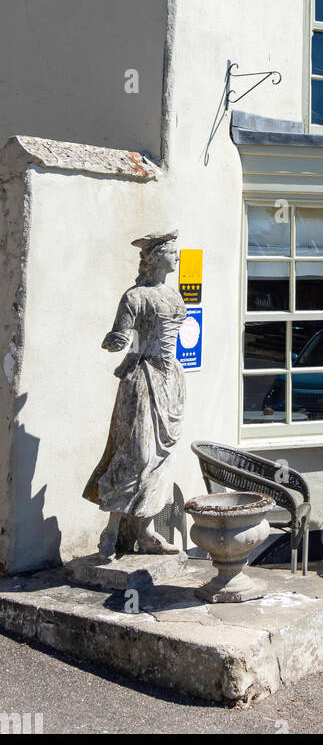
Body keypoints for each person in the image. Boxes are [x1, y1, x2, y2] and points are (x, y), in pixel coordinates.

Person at [84, 230, 186, 556]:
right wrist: (113, 342)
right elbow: (119, 336)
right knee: (136, 454)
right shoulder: (135, 297)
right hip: (142, 380)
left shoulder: (174, 296)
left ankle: (148, 533)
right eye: (172, 251)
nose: (178, 256)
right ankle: (110, 532)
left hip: (170, 380)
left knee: (159, 458)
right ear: (155, 258)